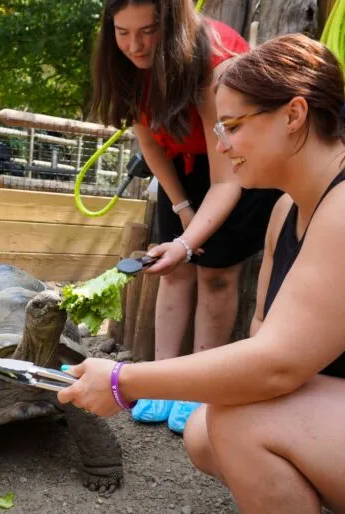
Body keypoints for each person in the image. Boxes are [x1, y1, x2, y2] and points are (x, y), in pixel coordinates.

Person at [61, 33, 345, 513]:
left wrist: (123, 380)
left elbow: (275, 368)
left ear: (293, 115)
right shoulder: (287, 210)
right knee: (206, 430)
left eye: (232, 126)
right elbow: (261, 345)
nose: (219, 146)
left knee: (244, 424)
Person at [90, 0, 281, 431]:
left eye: (148, 31)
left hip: (240, 164)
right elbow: (151, 145)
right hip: (183, 165)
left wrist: (188, 240)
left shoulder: (211, 64)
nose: (135, 46)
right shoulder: (123, 67)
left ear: (171, 23)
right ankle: (161, 377)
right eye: (122, 32)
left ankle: (200, 386)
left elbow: (228, 179)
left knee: (216, 273)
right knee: (172, 271)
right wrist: (181, 209)